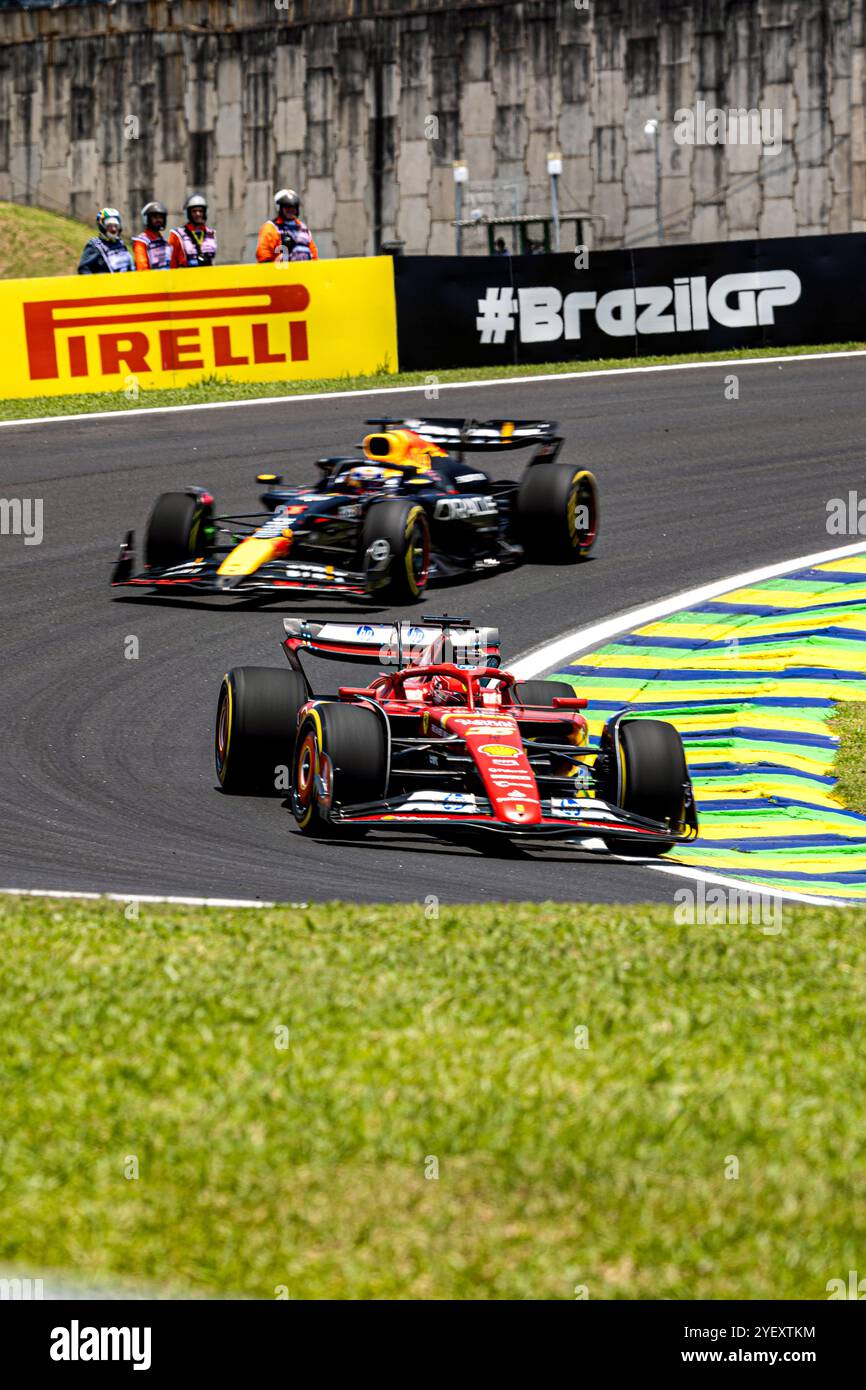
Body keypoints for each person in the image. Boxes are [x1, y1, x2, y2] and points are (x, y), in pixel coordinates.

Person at [256, 189, 318, 263]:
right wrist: (283, 255)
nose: (291, 210)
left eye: (293, 207)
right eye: (287, 207)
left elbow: (314, 257)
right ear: (279, 208)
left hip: (305, 272)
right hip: (281, 272)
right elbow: (263, 260)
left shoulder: (303, 228)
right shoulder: (271, 228)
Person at [78, 208, 134, 274]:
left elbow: (130, 267)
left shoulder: (121, 244)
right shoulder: (95, 245)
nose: (113, 229)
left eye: (115, 225)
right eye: (109, 226)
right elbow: (84, 269)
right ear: (102, 225)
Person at [169, 194, 217, 268]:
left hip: (207, 277)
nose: (198, 214)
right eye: (194, 211)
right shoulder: (177, 234)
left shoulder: (211, 233)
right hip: (185, 277)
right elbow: (172, 262)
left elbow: (213, 260)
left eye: (200, 211)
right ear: (188, 213)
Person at [132, 201, 171, 271]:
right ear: (147, 219)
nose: (158, 220)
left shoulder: (164, 240)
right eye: (155, 217)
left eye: (161, 217)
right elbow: (142, 268)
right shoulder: (141, 241)